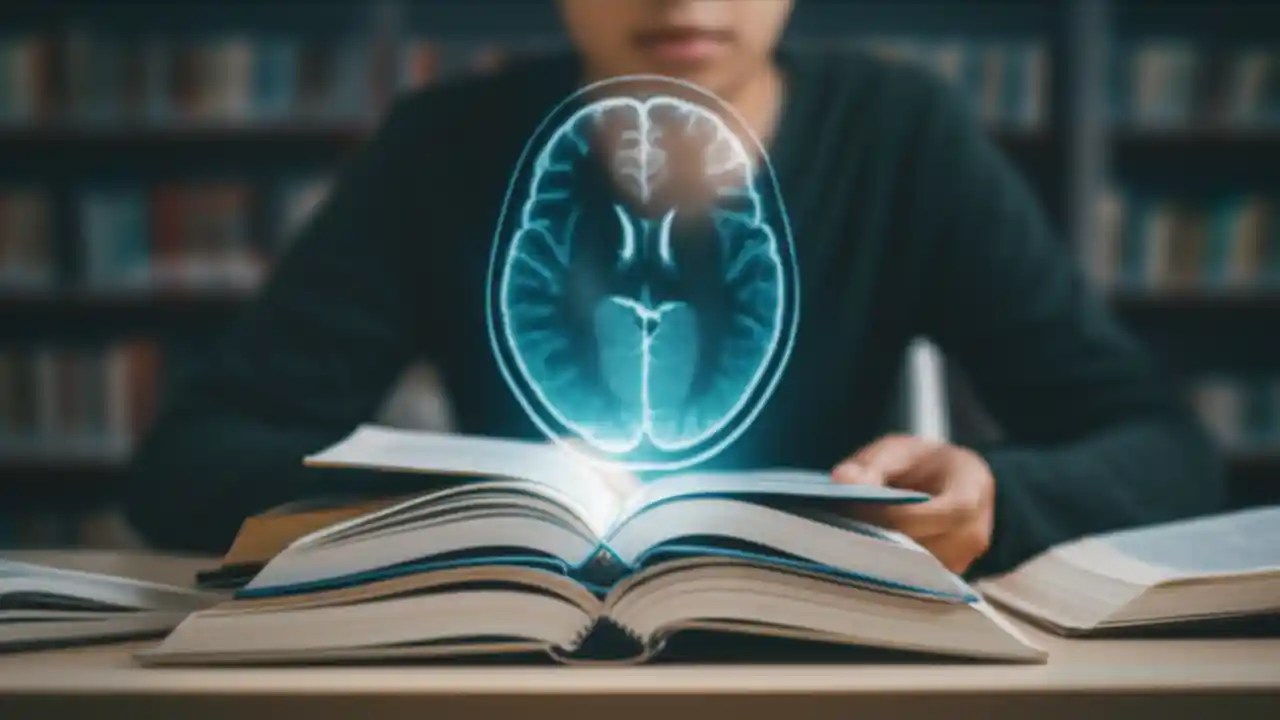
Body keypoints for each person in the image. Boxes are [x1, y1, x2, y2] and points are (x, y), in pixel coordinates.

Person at [128, 0, 1223, 577]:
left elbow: (1161, 448)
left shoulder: (903, 139)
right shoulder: (440, 151)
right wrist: (446, 514)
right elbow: (188, 461)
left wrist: (991, 498)